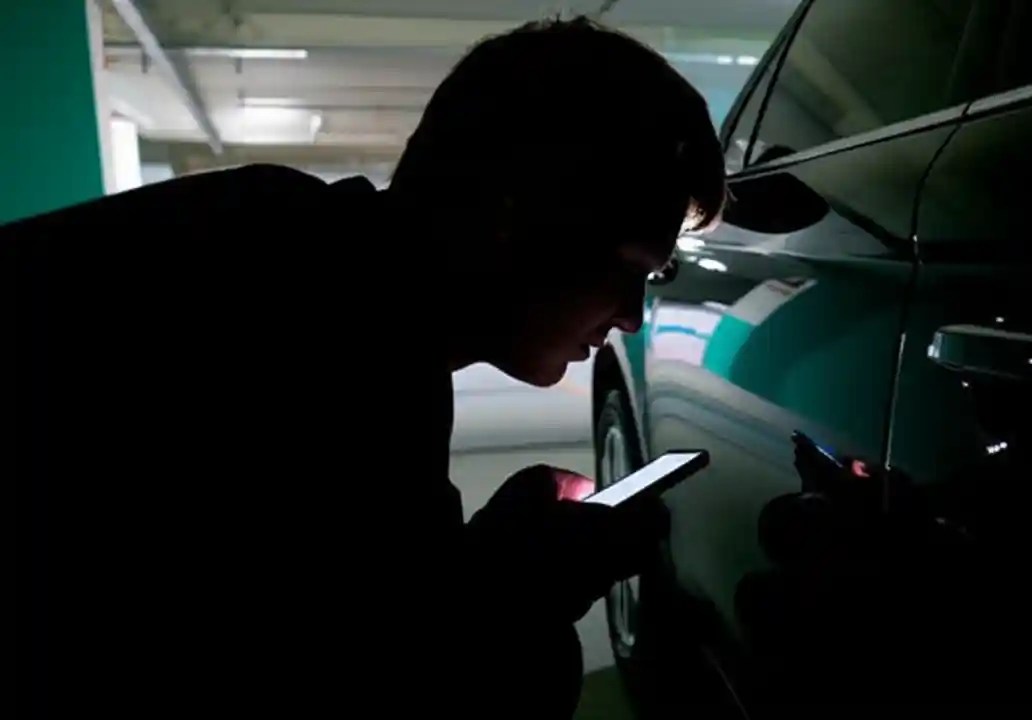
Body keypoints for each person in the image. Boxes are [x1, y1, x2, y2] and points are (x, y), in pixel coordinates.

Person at [10, 16, 725, 718]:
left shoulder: (287, 241)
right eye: (627, 266)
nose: (632, 314)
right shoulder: (323, 336)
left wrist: (476, 565)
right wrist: (527, 591)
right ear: (518, 210)